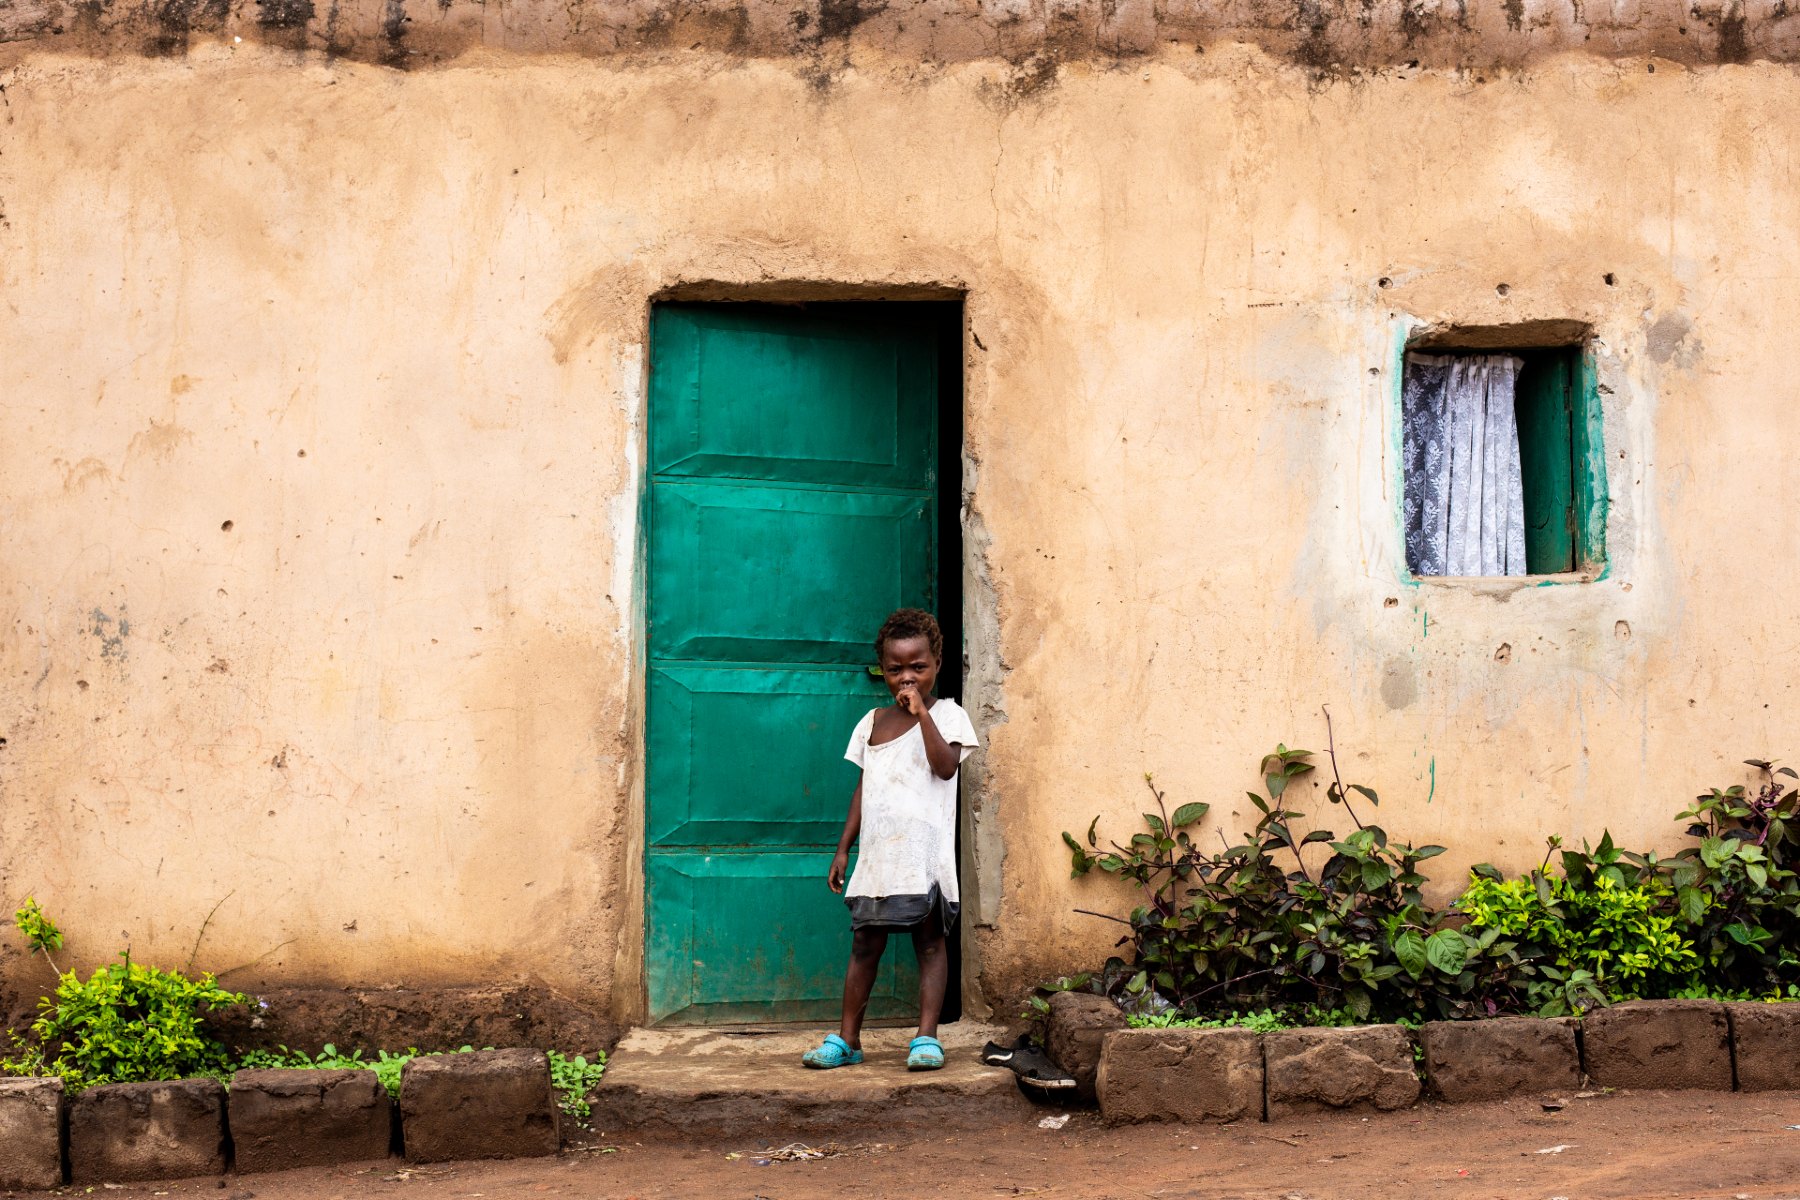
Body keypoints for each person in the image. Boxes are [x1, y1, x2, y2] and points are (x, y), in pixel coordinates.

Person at [802, 608, 979, 1071]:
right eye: (895, 669)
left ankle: (925, 1038)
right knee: (864, 944)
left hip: (924, 858)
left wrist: (922, 714)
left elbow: (944, 767)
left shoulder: (949, 715)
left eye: (917, 668)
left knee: (929, 942)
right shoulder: (872, 721)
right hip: (880, 856)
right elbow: (865, 787)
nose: (906, 679)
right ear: (882, 669)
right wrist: (844, 848)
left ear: (937, 662)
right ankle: (847, 1039)